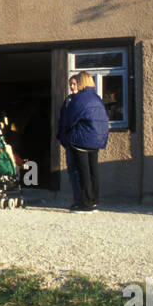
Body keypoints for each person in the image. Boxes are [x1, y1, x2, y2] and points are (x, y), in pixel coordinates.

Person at [56, 72, 109, 212]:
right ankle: (94, 201)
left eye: (77, 82)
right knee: (93, 171)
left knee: (83, 172)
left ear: (81, 82)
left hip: (81, 139)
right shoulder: (96, 98)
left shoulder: (79, 98)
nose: (75, 85)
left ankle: (85, 203)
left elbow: (69, 120)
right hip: (96, 139)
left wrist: (65, 136)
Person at [59, 76, 82, 205]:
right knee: (72, 170)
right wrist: (62, 136)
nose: (72, 87)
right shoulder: (68, 100)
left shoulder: (82, 100)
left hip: (80, 140)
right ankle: (77, 198)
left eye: (74, 84)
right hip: (69, 141)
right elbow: (63, 119)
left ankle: (83, 198)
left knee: (81, 171)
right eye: (70, 84)